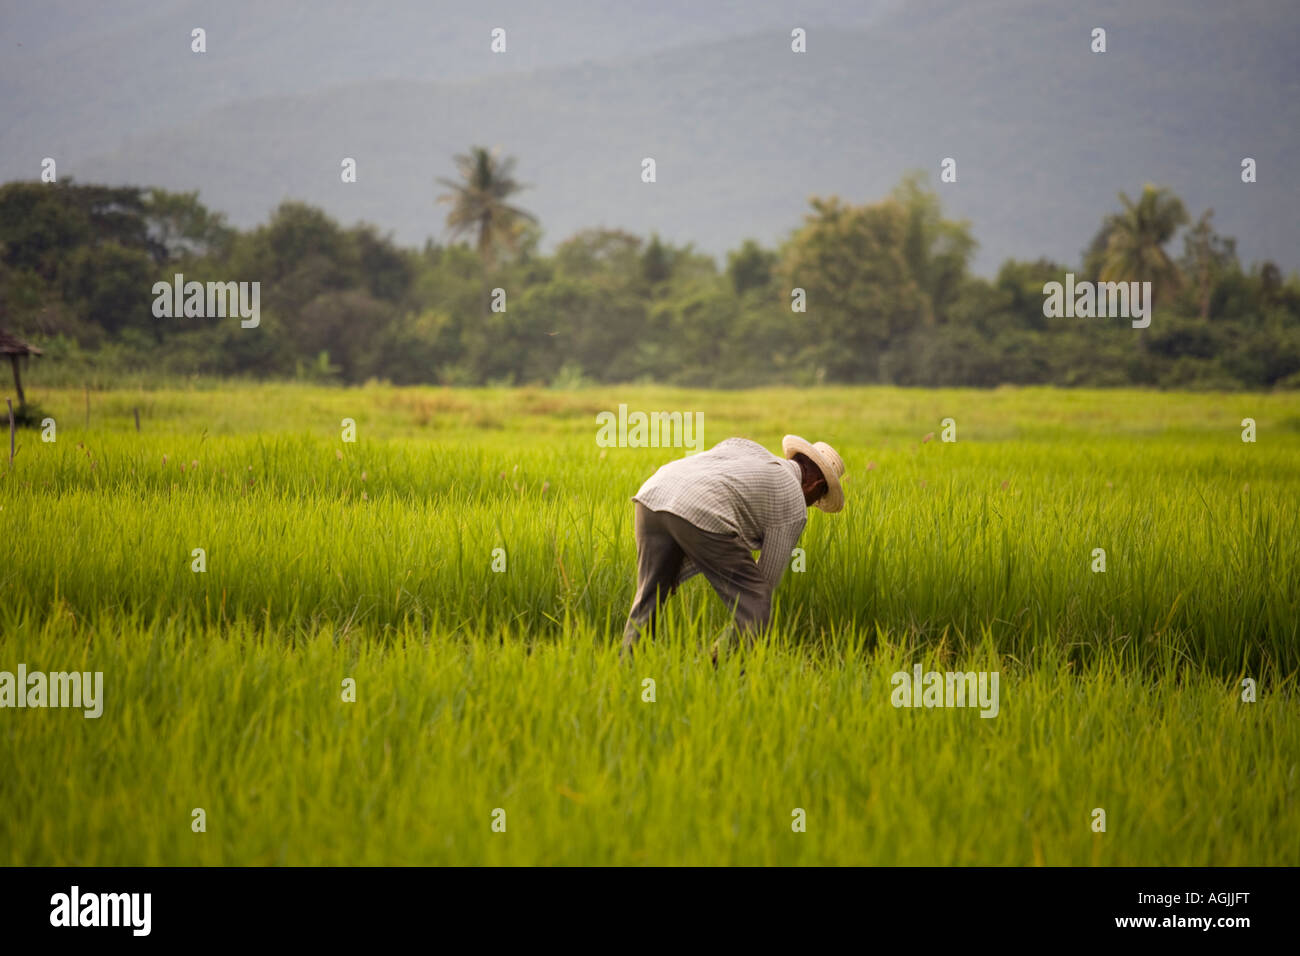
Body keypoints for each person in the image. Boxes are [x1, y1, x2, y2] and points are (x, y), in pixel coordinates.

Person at [621, 435, 845, 660]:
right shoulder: (794, 500)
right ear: (815, 485)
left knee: (650, 595)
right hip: (698, 509)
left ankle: (627, 671)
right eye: (819, 498)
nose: (814, 504)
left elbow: (712, 492)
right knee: (756, 601)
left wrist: (674, 572)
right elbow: (764, 582)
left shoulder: (748, 449)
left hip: (653, 493)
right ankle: (723, 669)